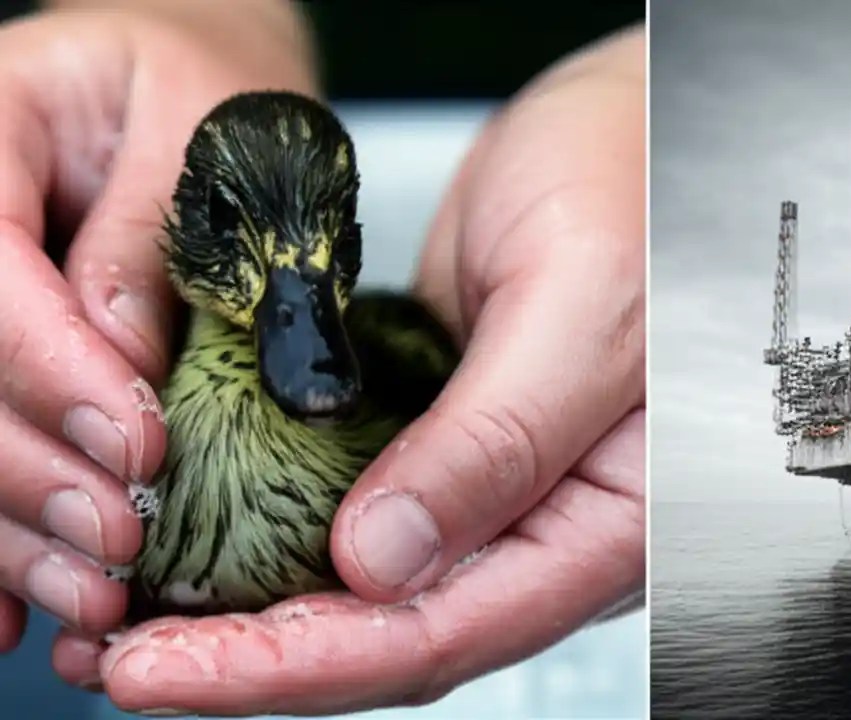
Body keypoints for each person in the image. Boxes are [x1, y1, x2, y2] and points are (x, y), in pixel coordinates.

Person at [0, 0, 645, 714]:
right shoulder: (115, 391)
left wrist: (647, 97)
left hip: (591, 176)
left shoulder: (410, 366)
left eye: (324, 246)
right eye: (224, 224)